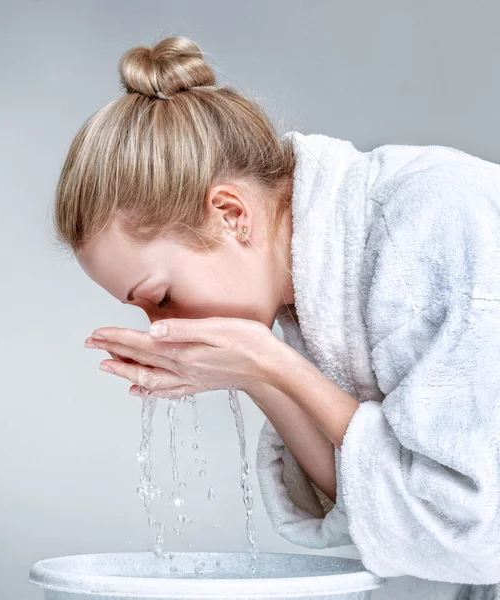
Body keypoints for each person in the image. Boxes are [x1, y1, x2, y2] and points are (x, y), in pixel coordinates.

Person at [54, 36, 500, 600]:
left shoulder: (437, 217)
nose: (159, 327)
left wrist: (273, 364)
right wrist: (261, 372)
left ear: (230, 215)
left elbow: (476, 528)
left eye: (160, 295)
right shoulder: (302, 286)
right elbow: (379, 501)